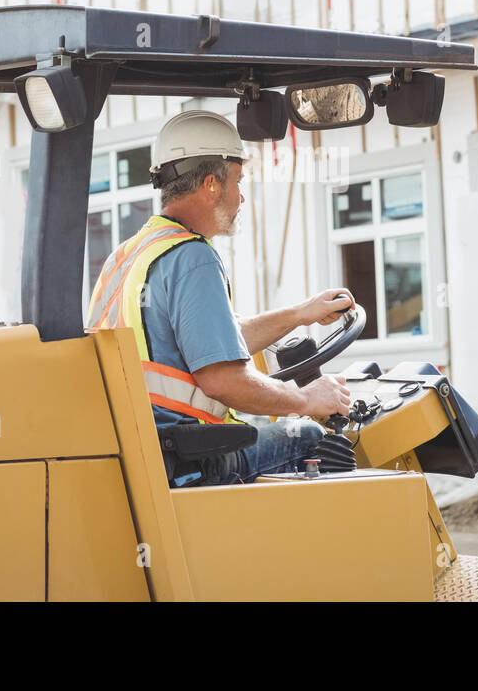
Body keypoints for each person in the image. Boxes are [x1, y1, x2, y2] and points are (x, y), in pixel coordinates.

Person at [86, 110, 355, 485]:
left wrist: (300, 314)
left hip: (140, 448)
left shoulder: (129, 255)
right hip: (188, 456)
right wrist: (308, 400)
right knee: (311, 437)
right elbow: (223, 380)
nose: (242, 197)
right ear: (212, 185)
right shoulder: (192, 256)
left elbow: (210, 344)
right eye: (238, 182)